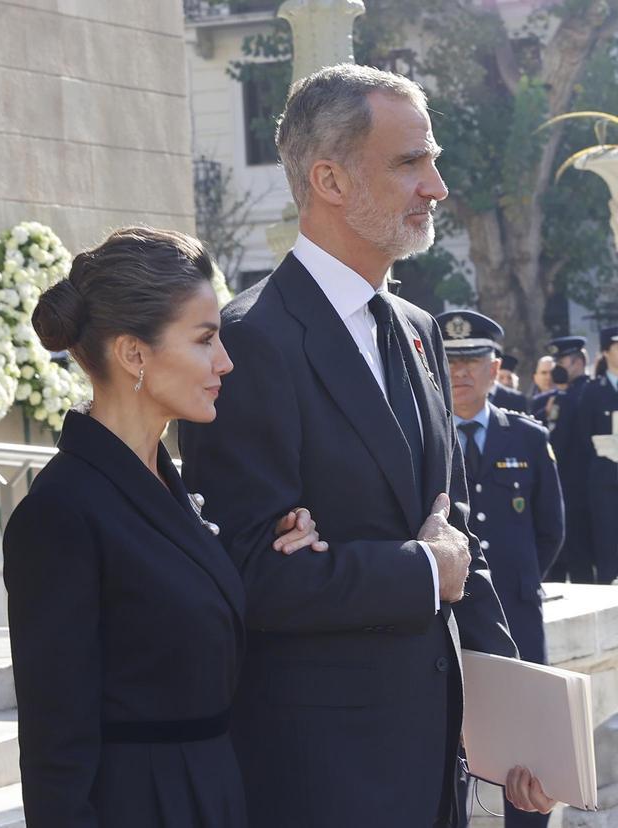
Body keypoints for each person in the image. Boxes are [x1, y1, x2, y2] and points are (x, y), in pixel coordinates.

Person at [178, 64, 552, 828]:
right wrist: (419, 570)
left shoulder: (416, 330)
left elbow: (459, 539)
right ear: (331, 180)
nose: (438, 186)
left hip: (434, 767)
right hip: (321, 777)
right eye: (410, 162)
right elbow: (249, 577)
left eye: (432, 159)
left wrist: (525, 725)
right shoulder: (250, 342)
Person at [4, 227, 327, 827]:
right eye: (206, 340)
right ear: (134, 354)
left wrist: (279, 544)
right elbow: (55, 750)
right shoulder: (61, 512)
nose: (226, 362)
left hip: (213, 794)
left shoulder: (170, 490)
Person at [437, 310, 564, 828]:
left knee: (527, 757)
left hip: (516, 618)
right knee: (451, 751)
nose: (461, 372)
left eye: (472, 360)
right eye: (450, 361)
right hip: (446, 622)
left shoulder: (529, 438)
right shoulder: (426, 438)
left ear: (495, 368)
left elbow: (550, 532)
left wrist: (514, 582)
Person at [547, 335, 596, 582]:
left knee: (577, 560)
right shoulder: (590, 391)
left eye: (562, 361)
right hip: (591, 488)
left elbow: (557, 445)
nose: (558, 366)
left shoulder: (569, 398)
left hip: (571, 488)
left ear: (578, 361)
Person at [575, 326, 618, 584]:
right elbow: (584, 435)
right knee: (607, 541)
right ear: (605, 351)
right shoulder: (593, 390)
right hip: (605, 481)